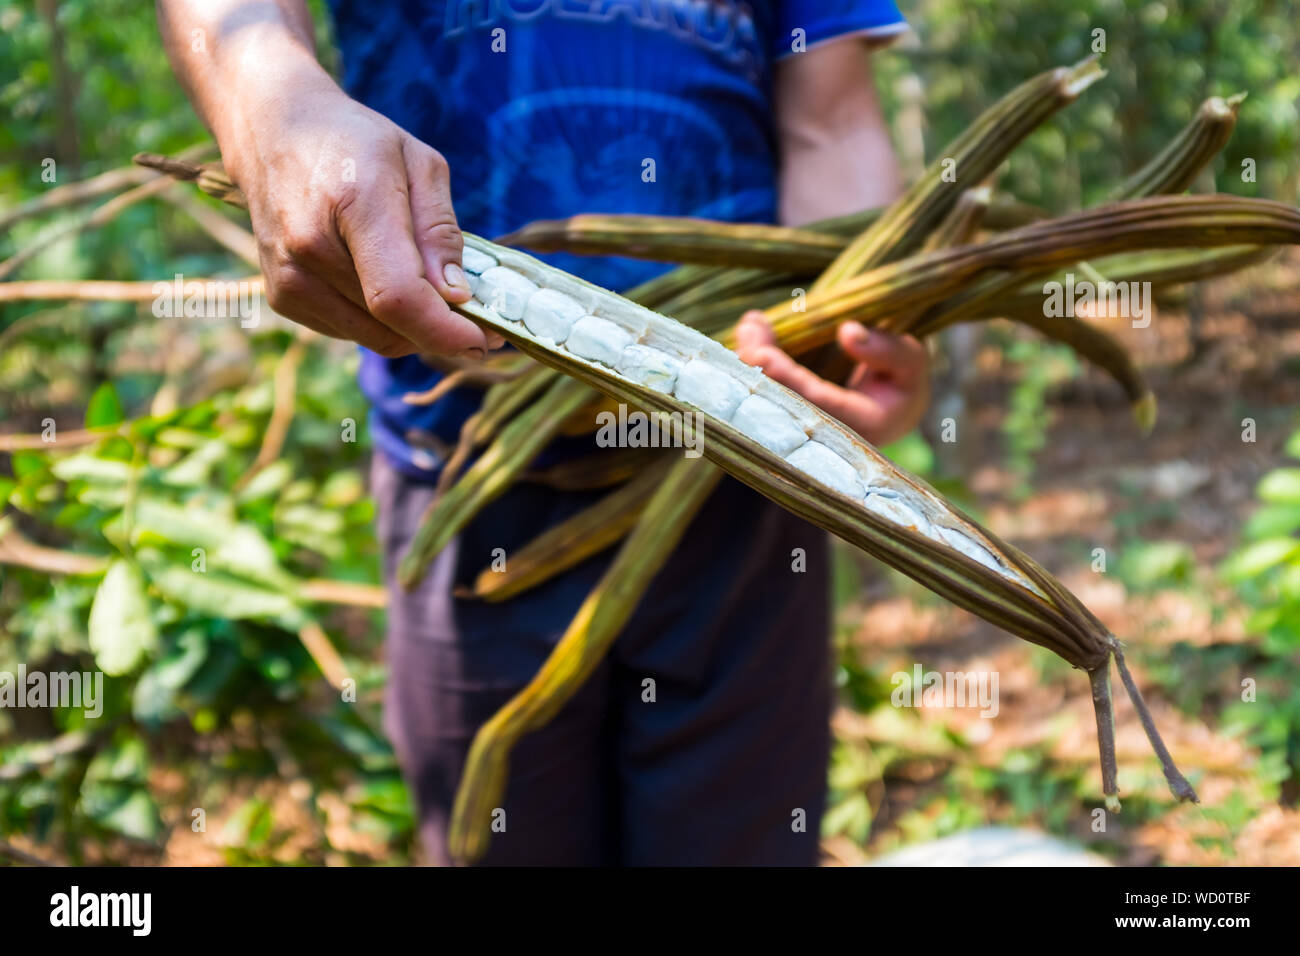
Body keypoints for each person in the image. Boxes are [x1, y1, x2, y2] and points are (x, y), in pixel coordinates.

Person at [157, 0, 931, 865]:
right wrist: (273, 102)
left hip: (744, 478)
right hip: (468, 474)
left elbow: (832, 121)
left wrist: (850, 323)